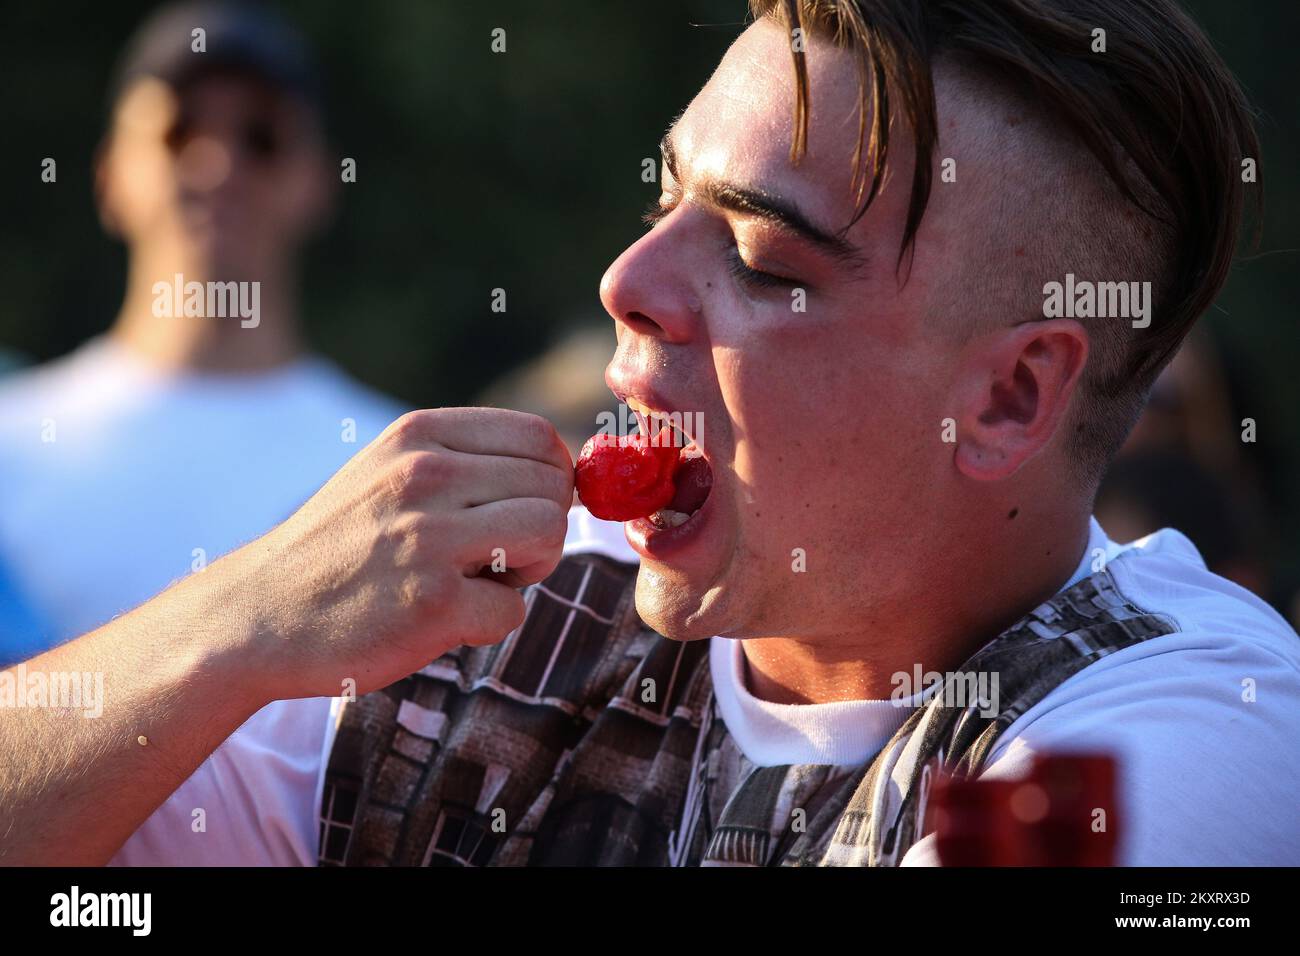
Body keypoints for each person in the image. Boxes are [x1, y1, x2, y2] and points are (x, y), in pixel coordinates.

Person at [4, 0, 1299, 866]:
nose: (627, 280)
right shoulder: (504, 623)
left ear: (1013, 398)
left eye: (761, 259)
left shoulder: (1185, 721)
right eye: (665, 195)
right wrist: (241, 623)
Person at [0, 2, 402, 863]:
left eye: (261, 137)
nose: (218, 164)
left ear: (316, 182)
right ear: (111, 173)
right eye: (179, 132)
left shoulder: (394, 465)